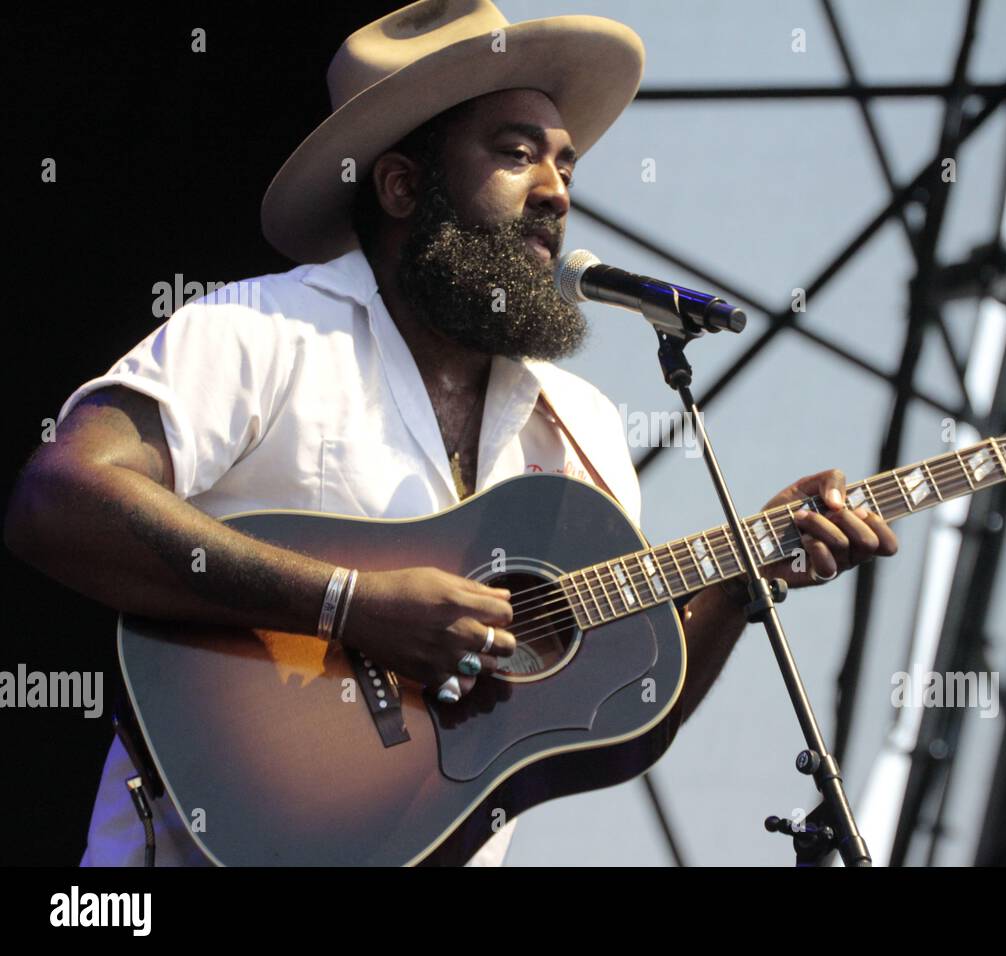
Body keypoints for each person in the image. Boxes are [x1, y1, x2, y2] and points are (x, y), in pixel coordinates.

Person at [4, 0, 898, 867]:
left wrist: (745, 583)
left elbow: (616, 724)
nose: (554, 192)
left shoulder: (579, 426)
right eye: (516, 155)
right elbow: (59, 499)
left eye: (566, 167)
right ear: (401, 186)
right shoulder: (261, 332)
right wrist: (349, 605)